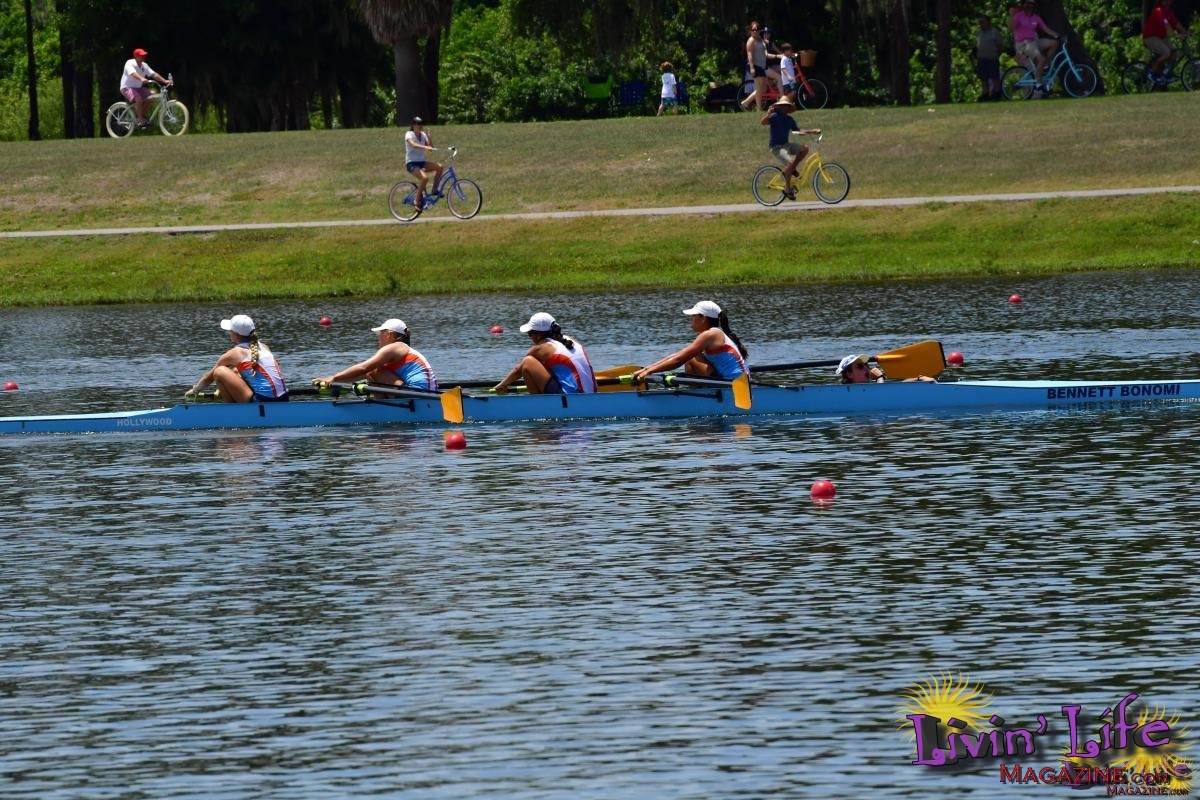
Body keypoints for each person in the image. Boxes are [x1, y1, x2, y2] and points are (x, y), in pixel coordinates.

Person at [631, 301, 748, 383]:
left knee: (690, 357)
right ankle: (698, 394)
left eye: (693, 316)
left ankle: (695, 397)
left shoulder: (711, 334)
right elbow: (677, 355)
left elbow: (678, 359)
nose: (691, 319)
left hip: (738, 385)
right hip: (733, 381)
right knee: (690, 355)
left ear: (703, 318)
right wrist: (647, 369)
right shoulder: (712, 334)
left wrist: (649, 372)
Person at [312, 318, 438, 391]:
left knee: (374, 370)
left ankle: (377, 405)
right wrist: (336, 382)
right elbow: (362, 374)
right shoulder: (401, 350)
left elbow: (364, 368)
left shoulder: (394, 347)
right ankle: (378, 403)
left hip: (417, 394)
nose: (379, 338)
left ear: (389, 334)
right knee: (373, 371)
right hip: (423, 392)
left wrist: (334, 377)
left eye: (380, 334)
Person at [187, 315, 289, 402]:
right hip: (284, 398)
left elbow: (208, 377)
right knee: (236, 371)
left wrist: (194, 390)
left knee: (219, 371)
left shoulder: (234, 353)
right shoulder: (265, 347)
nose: (229, 333)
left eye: (230, 331)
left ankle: (232, 411)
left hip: (262, 401)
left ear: (236, 335)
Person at [493, 313, 598, 395]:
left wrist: (502, 384)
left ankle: (539, 406)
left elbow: (518, 370)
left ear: (538, 335)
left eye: (530, 334)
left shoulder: (541, 347)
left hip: (572, 399)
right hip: (592, 395)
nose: (530, 337)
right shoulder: (572, 341)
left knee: (527, 362)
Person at [761, 98, 821, 201]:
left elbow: (797, 131)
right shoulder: (775, 117)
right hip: (776, 147)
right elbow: (763, 122)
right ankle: (787, 189)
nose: (786, 108)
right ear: (780, 107)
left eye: (788, 106)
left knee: (804, 149)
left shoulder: (789, 119)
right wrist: (768, 114)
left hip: (786, 145)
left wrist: (812, 131)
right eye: (784, 106)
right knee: (790, 163)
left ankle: (790, 170)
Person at [1009, 0, 1060, 96]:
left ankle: (1046, 66)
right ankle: (1038, 83)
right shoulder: (1019, 16)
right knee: (1041, 59)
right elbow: (1011, 28)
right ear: (1023, 5)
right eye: (1027, 3)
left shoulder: (1036, 18)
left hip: (1033, 42)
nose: (1029, 5)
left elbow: (1045, 28)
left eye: (1031, 4)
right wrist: (1012, 16)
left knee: (1054, 43)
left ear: (1034, 6)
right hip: (1023, 44)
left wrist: (1056, 35)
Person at [119, 47, 171, 129]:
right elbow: (133, 73)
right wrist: (142, 78)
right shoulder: (129, 63)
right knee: (138, 98)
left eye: (144, 55)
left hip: (138, 88)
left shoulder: (144, 65)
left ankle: (141, 115)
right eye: (141, 55)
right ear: (135, 56)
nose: (143, 57)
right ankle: (140, 120)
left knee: (151, 96)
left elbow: (154, 74)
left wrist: (165, 81)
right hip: (126, 88)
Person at [1142, 0, 1190, 85]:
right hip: (1150, 37)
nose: (1167, 2)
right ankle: (1151, 73)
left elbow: (1176, 24)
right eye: (1165, 0)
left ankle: (1166, 74)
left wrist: (1186, 32)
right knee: (1166, 53)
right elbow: (1167, 26)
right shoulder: (1158, 11)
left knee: (1174, 52)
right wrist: (1175, 34)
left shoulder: (1168, 12)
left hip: (1161, 37)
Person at [404, 116, 444, 212]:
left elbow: (430, 148)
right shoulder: (409, 134)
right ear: (413, 125)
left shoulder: (423, 135)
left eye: (421, 124)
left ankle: (434, 190)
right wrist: (425, 147)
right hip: (412, 163)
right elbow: (413, 144)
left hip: (421, 162)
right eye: (417, 124)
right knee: (425, 178)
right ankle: (416, 200)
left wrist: (429, 138)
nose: (420, 126)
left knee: (440, 167)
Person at [836, 354, 936, 384]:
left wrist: (918, 378)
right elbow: (882, 394)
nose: (866, 369)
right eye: (861, 367)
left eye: (866, 365)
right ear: (849, 374)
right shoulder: (852, 392)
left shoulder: (867, 389)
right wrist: (880, 377)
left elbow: (895, 389)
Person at [740, 22, 769, 111]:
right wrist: (752, 68)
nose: (755, 31)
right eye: (753, 29)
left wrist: (765, 41)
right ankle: (759, 109)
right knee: (759, 89)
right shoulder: (751, 40)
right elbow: (750, 54)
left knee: (763, 89)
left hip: (762, 65)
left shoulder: (760, 39)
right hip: (755, 66)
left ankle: (746, 102)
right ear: (750, 30)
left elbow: (764, 49)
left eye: (757, 29)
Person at [976, 16, 1005, 101]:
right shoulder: (980, 33)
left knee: (995, 77)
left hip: (992, 59)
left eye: (983, 21)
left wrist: (995, 54)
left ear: (988, 22)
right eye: (980, 22)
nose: (981, 24)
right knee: (983, 78)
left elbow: (1000, 46)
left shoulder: (994, 32)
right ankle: (985, 94)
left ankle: (996, 94)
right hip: (981, 59)